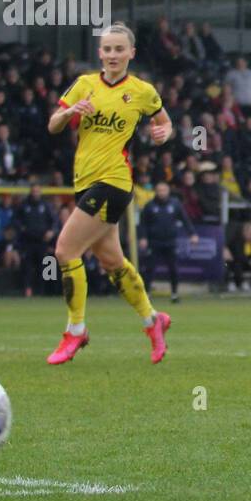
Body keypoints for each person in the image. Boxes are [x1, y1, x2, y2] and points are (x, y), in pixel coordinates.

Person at [45, 23, 174, 365]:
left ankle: (75, 331)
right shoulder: (85, 85)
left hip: (115, 182)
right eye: (108, 49)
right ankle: (153, 320)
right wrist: (70, 112)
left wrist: (164, 132)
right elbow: (53, 124)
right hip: (84, 182)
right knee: (112, 262)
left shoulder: (142, 91)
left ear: (131, 53)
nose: (113, 55)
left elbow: (164, 120)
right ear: (100, 53)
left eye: (120, 49)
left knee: (65, 250)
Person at [139, 180, 199, 303]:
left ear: (168, 191)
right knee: (149, 269)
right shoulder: (149, 205)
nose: (161, 193)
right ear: (156, 191)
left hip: (170, 242)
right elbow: (143, 224)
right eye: (159, 190)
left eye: (164, 190)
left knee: (174, 268)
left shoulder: (175, 204)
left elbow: (185, 220)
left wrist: (192, 234)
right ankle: (147, 294)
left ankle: (174, 294)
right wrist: (143, 237)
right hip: (154, 241)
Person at [15, 182, 57, 297]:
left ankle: (45, 291)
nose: (35, 193)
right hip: (28, 241)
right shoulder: (24, 205)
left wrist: (51, 231)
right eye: (33, 191)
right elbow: (17, 220)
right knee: (27, 266)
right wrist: (22, 229)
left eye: (37, 191)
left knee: (46, 266)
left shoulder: (46, 206)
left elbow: (54, 221)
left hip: (42, 241)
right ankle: (27, 289)